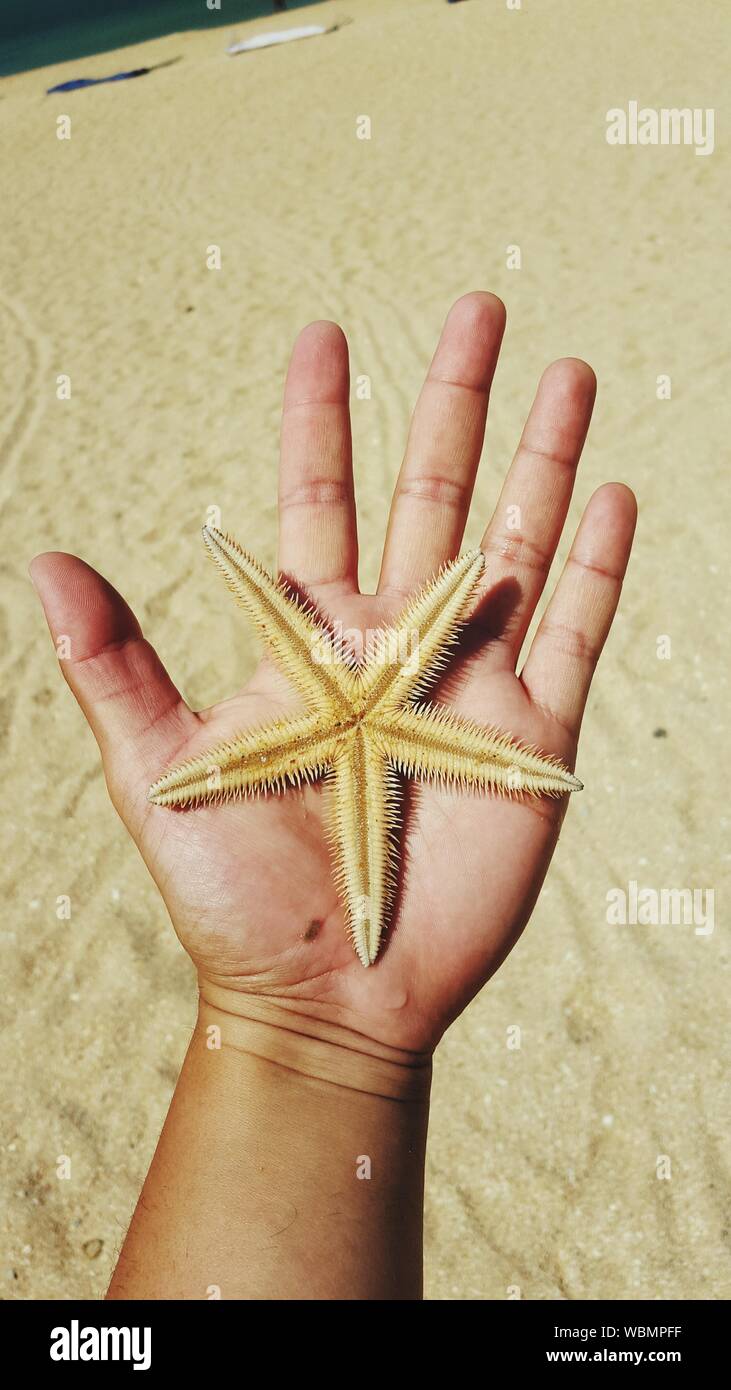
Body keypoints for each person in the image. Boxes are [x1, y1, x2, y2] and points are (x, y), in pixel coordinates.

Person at [30, 293, 637, 1300]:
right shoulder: (349, 715)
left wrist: (299, 1029)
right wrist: (306, 1025)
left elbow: (474, 729)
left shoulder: (374, 714)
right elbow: (293, 649)